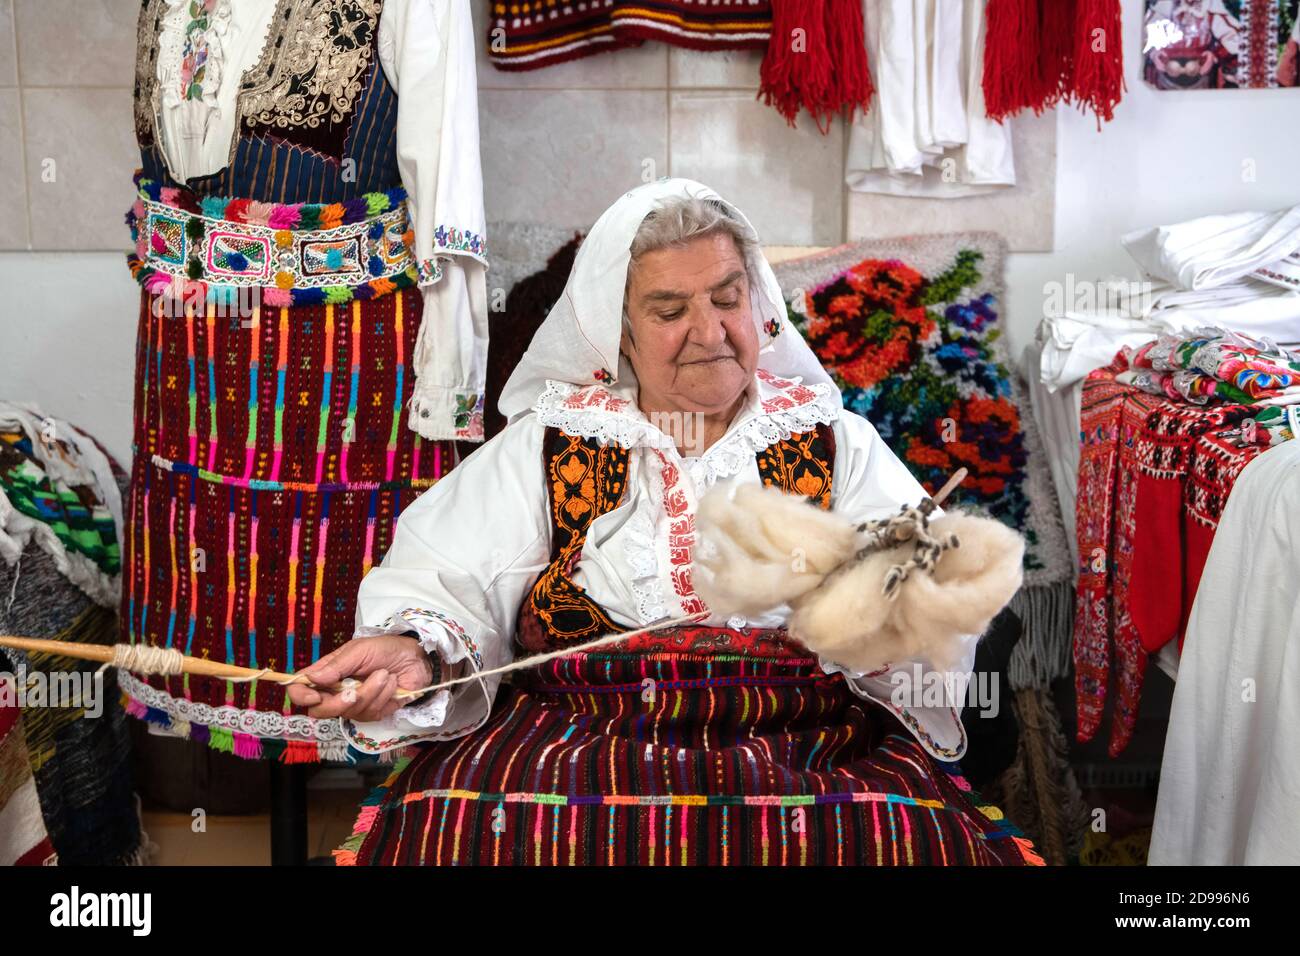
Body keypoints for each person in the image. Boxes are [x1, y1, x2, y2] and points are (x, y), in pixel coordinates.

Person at [288, 178, 1041, 866]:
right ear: (618, 334)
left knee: (885, 835)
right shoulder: (556, 440)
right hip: (578, 732)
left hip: (799, 735)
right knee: (475, 830)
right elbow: (446, 572)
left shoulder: (829, 439)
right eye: (670, 310)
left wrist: (894, 615)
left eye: (727, 297)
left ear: (760, 306)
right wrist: (416, 651)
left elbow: (931, 615)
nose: (711, 331)